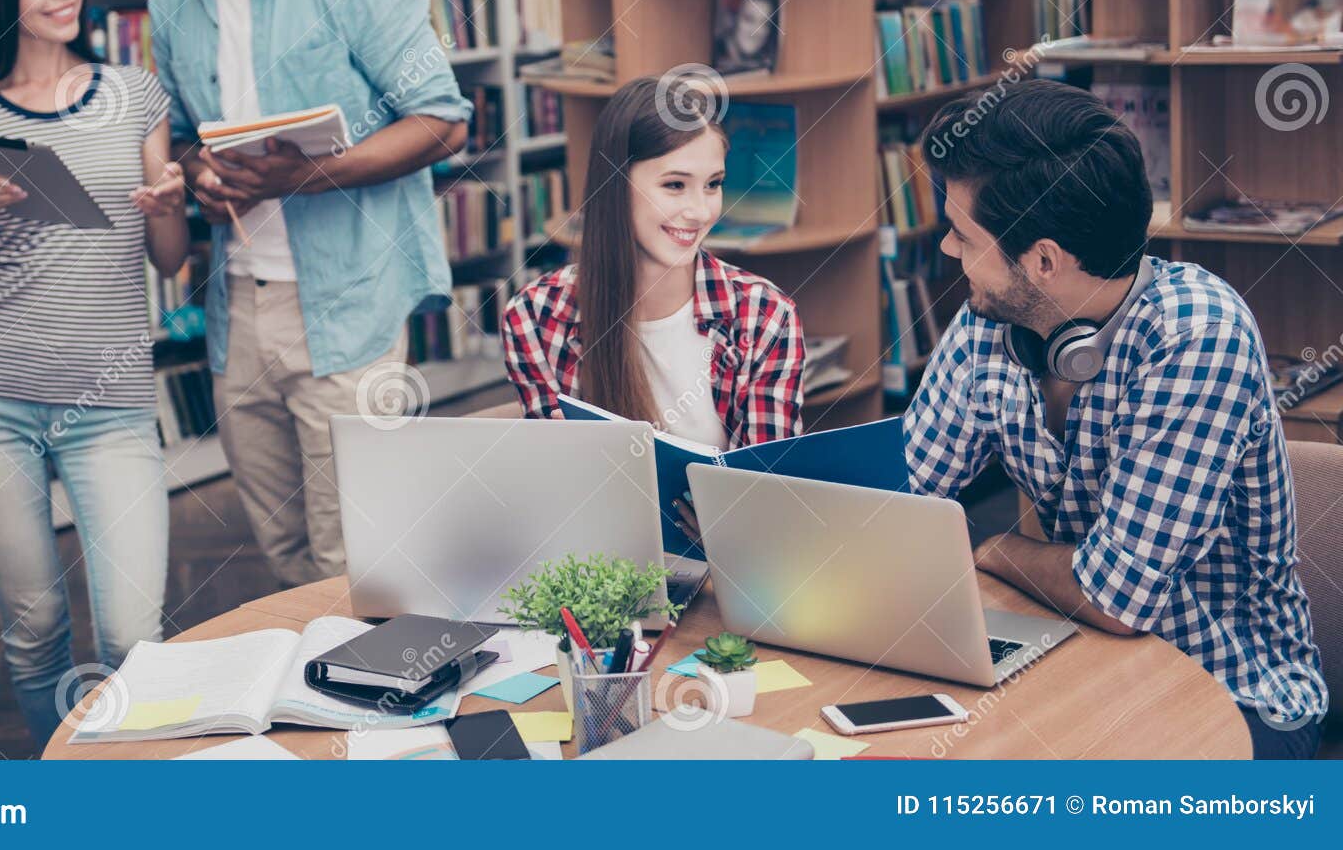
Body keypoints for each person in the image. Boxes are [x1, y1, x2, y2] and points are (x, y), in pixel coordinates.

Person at [905, 79, 1327, 759]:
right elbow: (901, 493)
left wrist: (985, 549)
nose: (950, 252)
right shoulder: (998, 314)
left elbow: (1116, 598)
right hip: (1084, 663)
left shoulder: (1197, 336)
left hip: (1235, 699)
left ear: (1043, 261)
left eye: (962, 235)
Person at [136, 0, 472, 589]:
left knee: (357, 561)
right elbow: (181, 131)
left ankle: (383, 708)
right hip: (239, 311)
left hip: (349, 305)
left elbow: (443, 122)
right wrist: (202, 172)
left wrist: (307, 175)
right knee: (287, 560)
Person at [0, 0, 189, 747]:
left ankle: (132, 785)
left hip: (110, 410)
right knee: (36, 634)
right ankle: (69, 788)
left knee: (132, 639)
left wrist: (167, 205)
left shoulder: (135, 94)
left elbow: (171, 260)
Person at [502, 75, 807, 450]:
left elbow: (763, 491)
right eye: (675, 185)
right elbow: (562, 484)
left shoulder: (765, 316)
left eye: (713, 184)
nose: (700, 211)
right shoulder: (535, 317)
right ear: (614, 184)